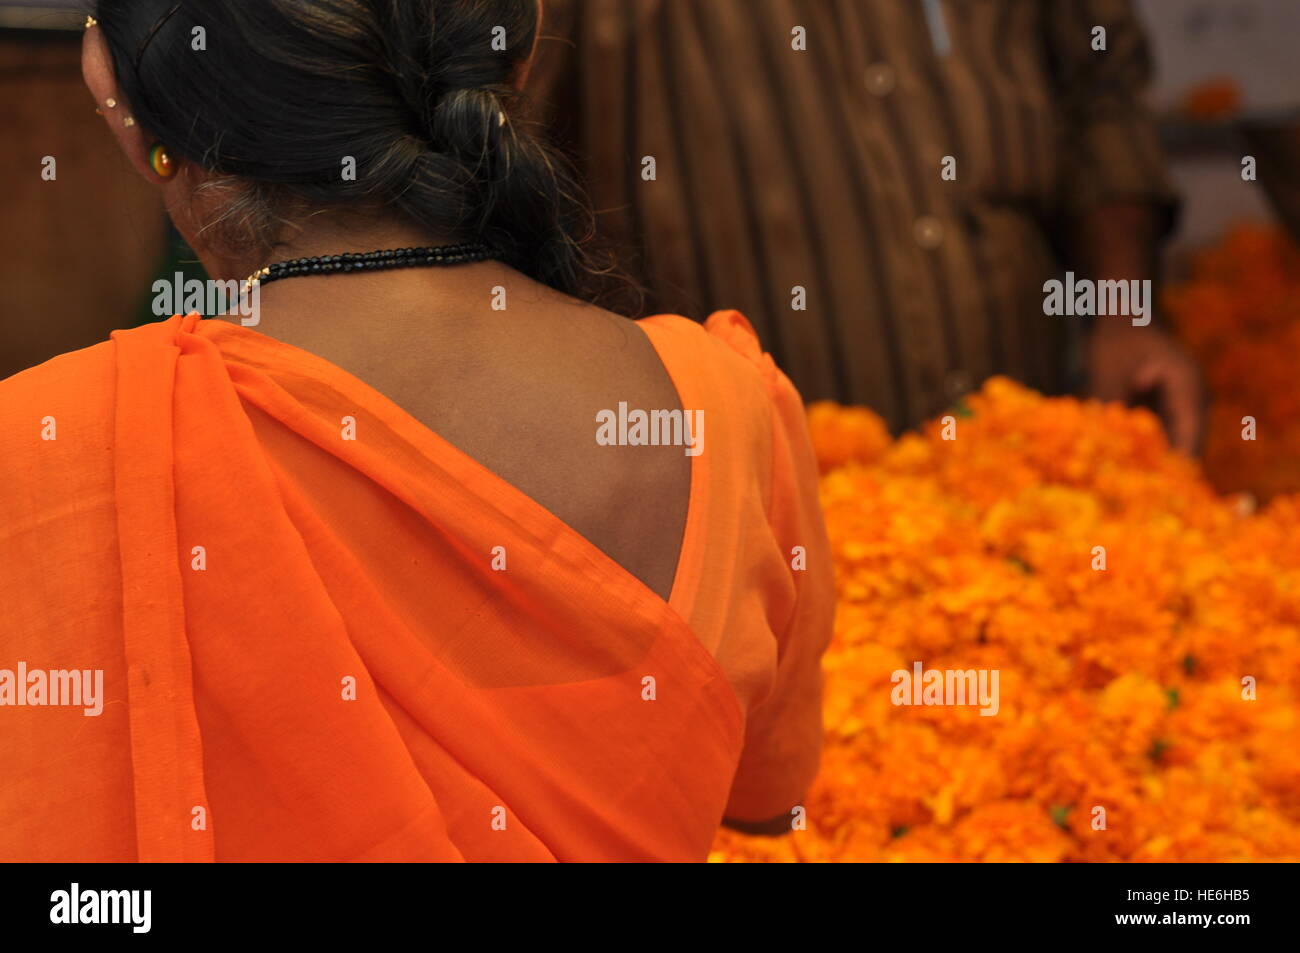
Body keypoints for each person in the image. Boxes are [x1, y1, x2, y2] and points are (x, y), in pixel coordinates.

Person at [0, 0, 833, 862]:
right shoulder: (730, 416)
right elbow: (768, 804)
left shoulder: (40, 463)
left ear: (117, 102)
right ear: (520, 52)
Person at [527, 0, 1204, 451]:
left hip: (1026, 474)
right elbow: (485, 163)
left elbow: (1100, 90)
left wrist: (1123, 313)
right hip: (736, 528)